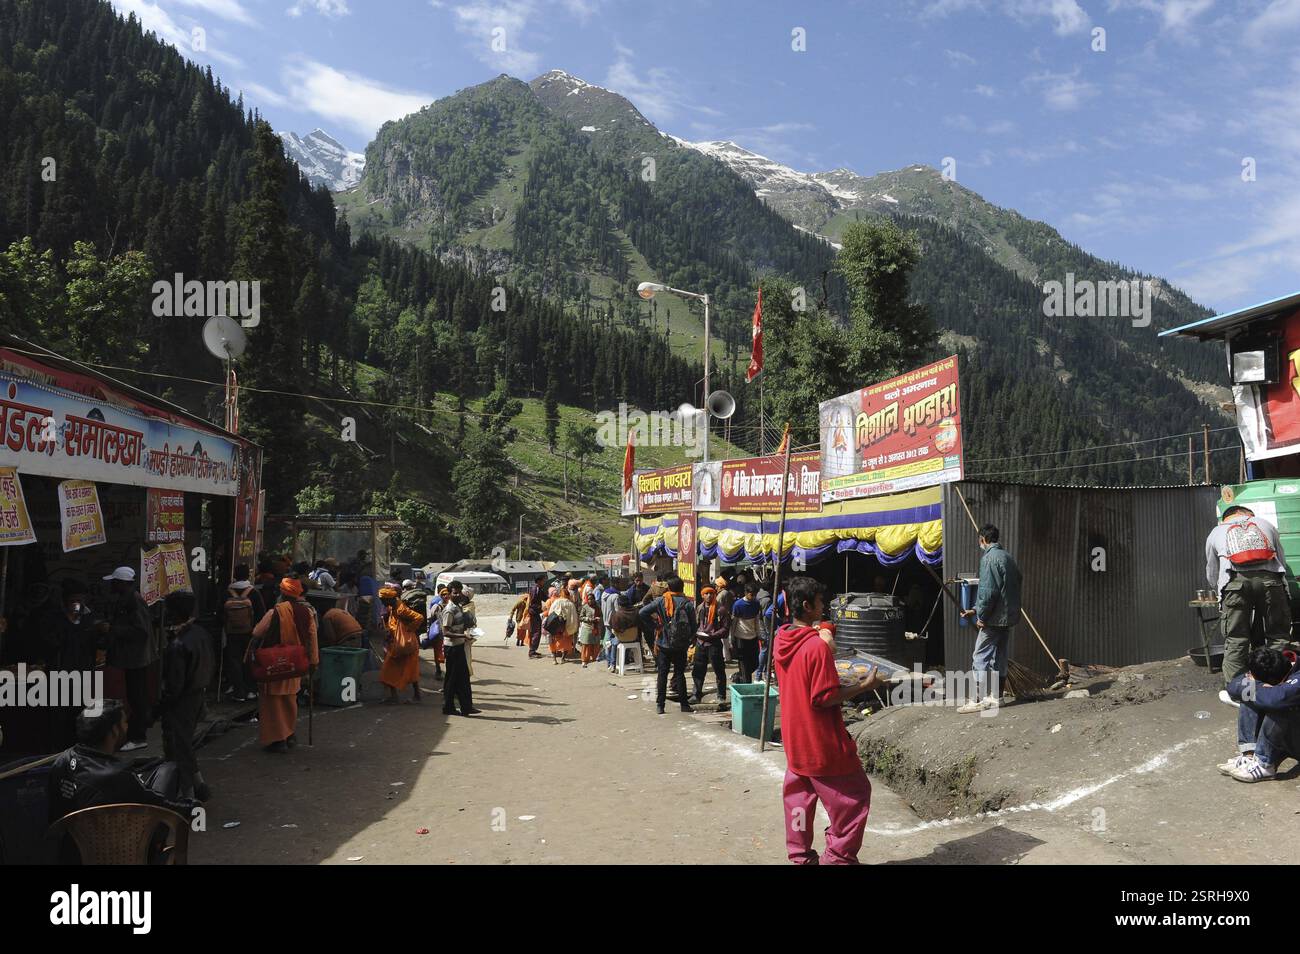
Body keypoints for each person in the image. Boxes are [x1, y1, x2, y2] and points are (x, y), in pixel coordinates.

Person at [774, 576, 886, 865]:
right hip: (821, 743)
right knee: (856, 797)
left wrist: (824, 639)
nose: (824, 608)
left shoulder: (782, 639)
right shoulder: (816, 648)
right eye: (821, 603)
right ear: (808, 606)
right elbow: (823, 698)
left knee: (799, 800)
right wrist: (864, 685)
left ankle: (800, 857)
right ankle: (837, 858)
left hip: (795, 739)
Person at [47, 700, 196, 858]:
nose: (127, 726)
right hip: (121, 851)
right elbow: (162, 805)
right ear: (113, 731)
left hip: (76, 854)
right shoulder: (117, 775)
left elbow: (54, 817)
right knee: (169, 770)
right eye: (124, 722)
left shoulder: (61, 762)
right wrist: (190, 806)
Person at [1205, 504, 1293, 684]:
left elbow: (1212, 572)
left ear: (1226, 517)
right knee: (1278, 635)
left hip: (1234, 582)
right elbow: (1281, 560)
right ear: (1248, 515)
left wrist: (1220, 594)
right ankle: (1278, 684)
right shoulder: (1265, 524)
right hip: (1271, 581)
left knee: (1237, 639)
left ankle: (1239, 690)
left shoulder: (1216, 531)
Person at [958, 524, 1023, 714]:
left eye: (979, 540)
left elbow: (988, 592)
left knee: (980, 656)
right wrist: (975, 609)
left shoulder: (989, 559)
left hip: (993, 619)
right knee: (1000, 657)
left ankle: (976, 700)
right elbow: (1009, 587)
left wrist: (982, 616)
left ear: (983, 540)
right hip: (1007, 618)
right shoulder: (1008, 558)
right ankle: (997, 697)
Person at [156, 590, 214, 802]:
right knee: (184, 744)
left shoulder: (178, 644)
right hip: (197, 695)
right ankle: (199, 786)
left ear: (174, 613)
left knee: (178, 748)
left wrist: (161, 706)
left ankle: (188, 796)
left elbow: (174, 685)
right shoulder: (200, 634)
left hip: (182, 700)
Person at [249, 577, 319, 753]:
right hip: (295, 663)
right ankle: (289, 734)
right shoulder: (307, 613)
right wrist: (313, 662)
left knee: (272, 703)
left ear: (282, 593)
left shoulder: (274, 612)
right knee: (290, 700)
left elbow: (257, 632)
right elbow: (312, 639)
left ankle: (278, 739)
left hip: (274, 663)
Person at [98, 566, 156, 752]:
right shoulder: (126, 599)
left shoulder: (134, 600)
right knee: (135, 696)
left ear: (122, 583)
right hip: (132, 658)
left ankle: (138, 736)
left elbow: (141, 631)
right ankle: (136, 732)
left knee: (137, 696)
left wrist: (112, 630)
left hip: (136, 658)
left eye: (114, 582)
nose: (112, 585)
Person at [1221, 646, 1300, 781]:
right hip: (1289, 740)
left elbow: (1277, 699)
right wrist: (1259, 687)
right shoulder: (1273, 662)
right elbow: (1233, 685)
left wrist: (1256, 687)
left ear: (1274, 680)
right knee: (1250, 695)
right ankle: (1249, 756)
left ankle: (1264, 764)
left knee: (1280, 705)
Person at [639, 575, 696, 715]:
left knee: (662, 674)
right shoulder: (687, 603)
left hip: (664, 644)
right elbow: (694, 626)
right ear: (682, 588)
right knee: (679, 674)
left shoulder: (661, 601)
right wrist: (688, 639)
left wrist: (656, 626)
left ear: (669, 588)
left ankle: (660, 705)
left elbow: (642, 612)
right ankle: (684, 704)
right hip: (681, 646)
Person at [220, 571, 264, 703]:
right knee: (249, 659)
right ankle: (250, 690)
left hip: (231, 633)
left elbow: (220, 612)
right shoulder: (253, 592)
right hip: (249, 633)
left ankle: (238, 691)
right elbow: (261, 611)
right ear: (247, 576)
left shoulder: (227, 592)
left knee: (234, 660)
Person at [378, 586, 423, 704]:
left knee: (389, 669)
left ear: (388, 599)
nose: (381, 602)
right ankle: (415, 695)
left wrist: (408, 629)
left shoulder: (400, 609)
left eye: (382, 600)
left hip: (404, 644)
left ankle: (396, 697)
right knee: (410, 670)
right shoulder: (393, 607)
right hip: (401, 644)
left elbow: (419, 617)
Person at [441, 589, 480, 715]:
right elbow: (446, 632)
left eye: (459, 593)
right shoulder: (449, 610)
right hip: (452, 648)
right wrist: (463, 636)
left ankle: (466, 707)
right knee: (452, 679)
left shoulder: (459, 607)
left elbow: (460, 625)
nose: (458, 595)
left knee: (463, 678)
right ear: (450, 594)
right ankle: (448, 707)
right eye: (455, 593)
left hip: (459, 646)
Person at [692, 585, 730, 706]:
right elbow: (696, 624)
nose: (709, 596)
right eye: (706, 594)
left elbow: (725, 628)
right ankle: (696, 694)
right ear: (702, 595)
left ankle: (721, 696)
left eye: (711, 593)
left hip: (714, 643)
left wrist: (713, 635)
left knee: (719, 670)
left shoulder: (720, 609)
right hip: (700, 642)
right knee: (698, 670)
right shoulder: (699, 608)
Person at [731, 583, 763, 684]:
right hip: (741, 637)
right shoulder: (738, 605)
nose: (753, 596)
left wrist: (759, 634)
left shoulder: (756, 604)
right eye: (751, 594)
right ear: (746, 593)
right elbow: (734, 622)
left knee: (755, 663)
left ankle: (738, 676)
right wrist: (732, 637)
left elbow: (757, 620)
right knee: (744, 664)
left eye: (754, 594)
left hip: (753, 637)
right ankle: (746, 683)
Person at [544, 585, 579, 664]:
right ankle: (563, 658)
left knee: (553, 642)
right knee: (566, 643)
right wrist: (571, 628)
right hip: (566, 628)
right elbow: (573, 618)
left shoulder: (556, 602)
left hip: (555, 628)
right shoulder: (570, 604)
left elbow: (550, 614)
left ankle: (554, 659)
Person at [607, 595, 640, 672]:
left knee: (612, 642)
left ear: (619, 604)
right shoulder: (636, 612)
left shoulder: (617, 614)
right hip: (634, 637)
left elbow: (613, 627)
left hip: (622, 638)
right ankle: (627, 660)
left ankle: (612, 664)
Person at [577, 590, 603, 668]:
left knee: (596, 644)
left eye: (592, 599)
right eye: (589, 599)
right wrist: (590, 619)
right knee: (586, 645)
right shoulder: (585, 607)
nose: (590, 600)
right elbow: (581, 617)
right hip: (587, 628)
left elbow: (601, 615)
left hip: (596, 628)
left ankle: (595, 659)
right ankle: (584, 660)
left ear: (594, 599)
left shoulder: (597, 606)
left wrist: (599, 619)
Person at [526, 574, 546, 658]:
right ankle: (532, 651)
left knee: (536, 632)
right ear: (538, 581)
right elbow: (532, 604)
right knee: (536, 632)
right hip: (534, 613)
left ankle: (533, 650)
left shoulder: (539, 589)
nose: (544, 582)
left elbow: (545, 598)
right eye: (543, 580)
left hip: (536, 613)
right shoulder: (535, 589)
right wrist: (541, 608)